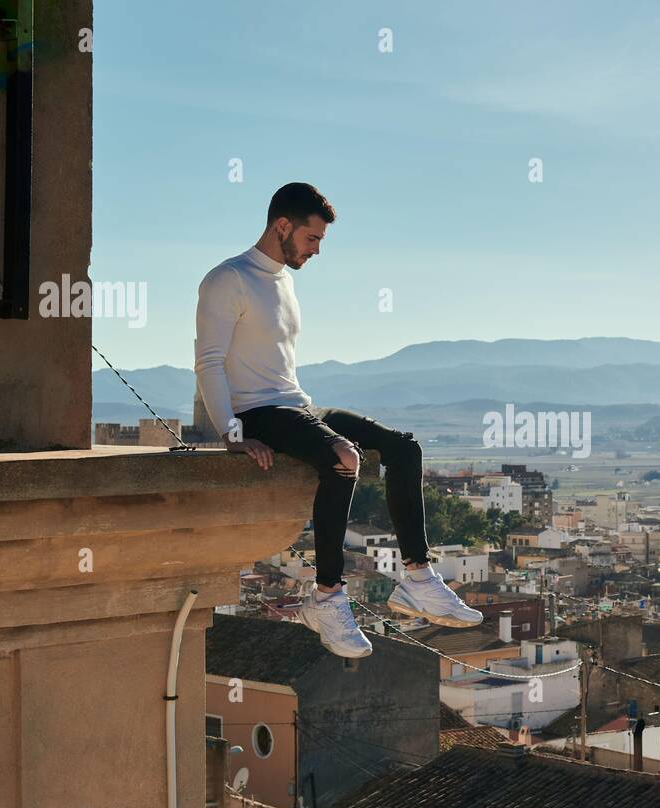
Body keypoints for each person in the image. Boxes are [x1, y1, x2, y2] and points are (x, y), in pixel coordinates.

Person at [194, 182, 483, 658]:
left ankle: (418, 579)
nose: (317, 250)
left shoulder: (283, 281)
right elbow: (208, 362)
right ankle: (326, 597)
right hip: (257, 413)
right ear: (282, 226)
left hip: (296, 405)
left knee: (403, 447)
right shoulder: (228, 279)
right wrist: (232, 433)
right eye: (312, 238)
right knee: (344, 457)